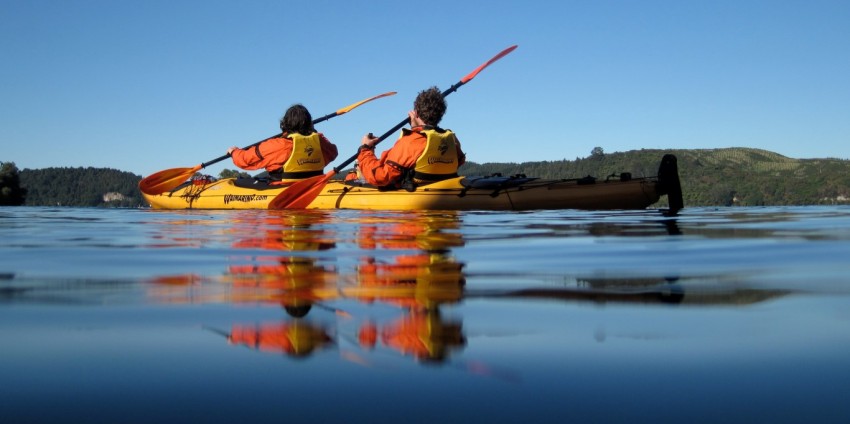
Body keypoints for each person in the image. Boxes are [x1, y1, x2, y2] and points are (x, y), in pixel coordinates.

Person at [357, 87, 466, 189]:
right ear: (441, 114)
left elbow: (381, 177)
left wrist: (365, 149)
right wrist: (415, 128)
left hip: (416, 200)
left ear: (416, 113)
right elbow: (458, 161)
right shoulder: (452, 140)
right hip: (443, 190)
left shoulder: (411, 142)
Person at [227, 104, 338, 183]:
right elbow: (334, 152)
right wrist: (315, 133)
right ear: (310, 123)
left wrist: (234, 152)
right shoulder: (320, 142)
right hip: (313, 186)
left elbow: (245, 160)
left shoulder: (276, 145)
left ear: (285, 123)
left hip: (282, 188)